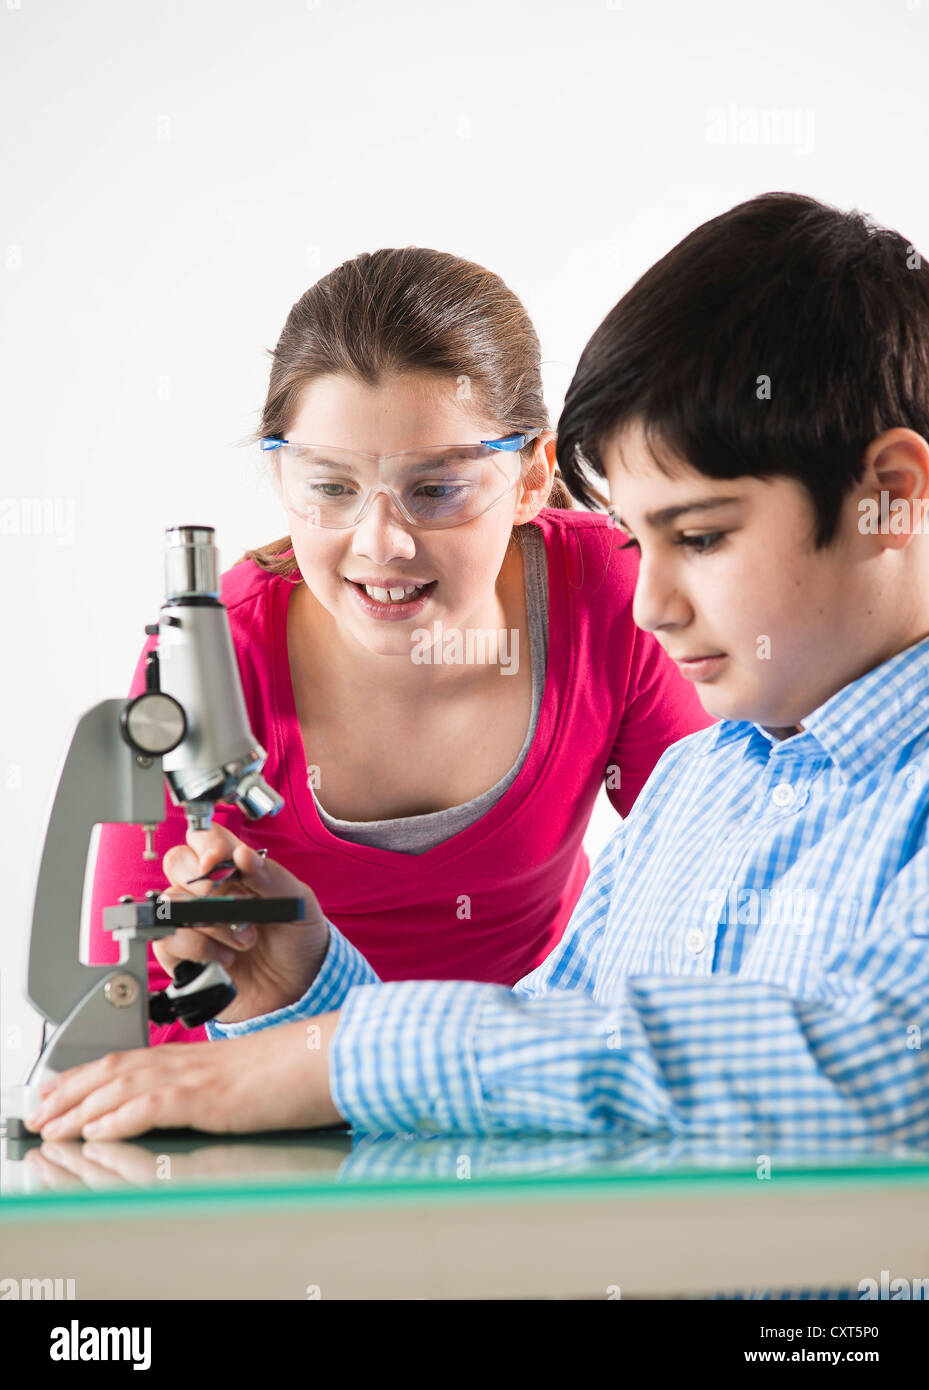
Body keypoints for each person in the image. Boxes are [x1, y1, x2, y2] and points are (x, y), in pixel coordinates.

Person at [34, 191, 929, 1156]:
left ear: (888, 496)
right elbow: (544, 1066)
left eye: (701, 537)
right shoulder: (701, 787)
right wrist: (299, 998)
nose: (647, 605)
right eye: (635, 539)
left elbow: (879, 1063)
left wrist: (329, 1058)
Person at [87, 247, 713, 1045]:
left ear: (528, 479)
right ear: (281, 478)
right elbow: (127, 1010)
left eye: (436, 488)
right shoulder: (209, 659)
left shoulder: (610, 594)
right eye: (331, 486)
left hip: (529, 1087)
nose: (380, 543)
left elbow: (711, 873)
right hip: (280, 1094)